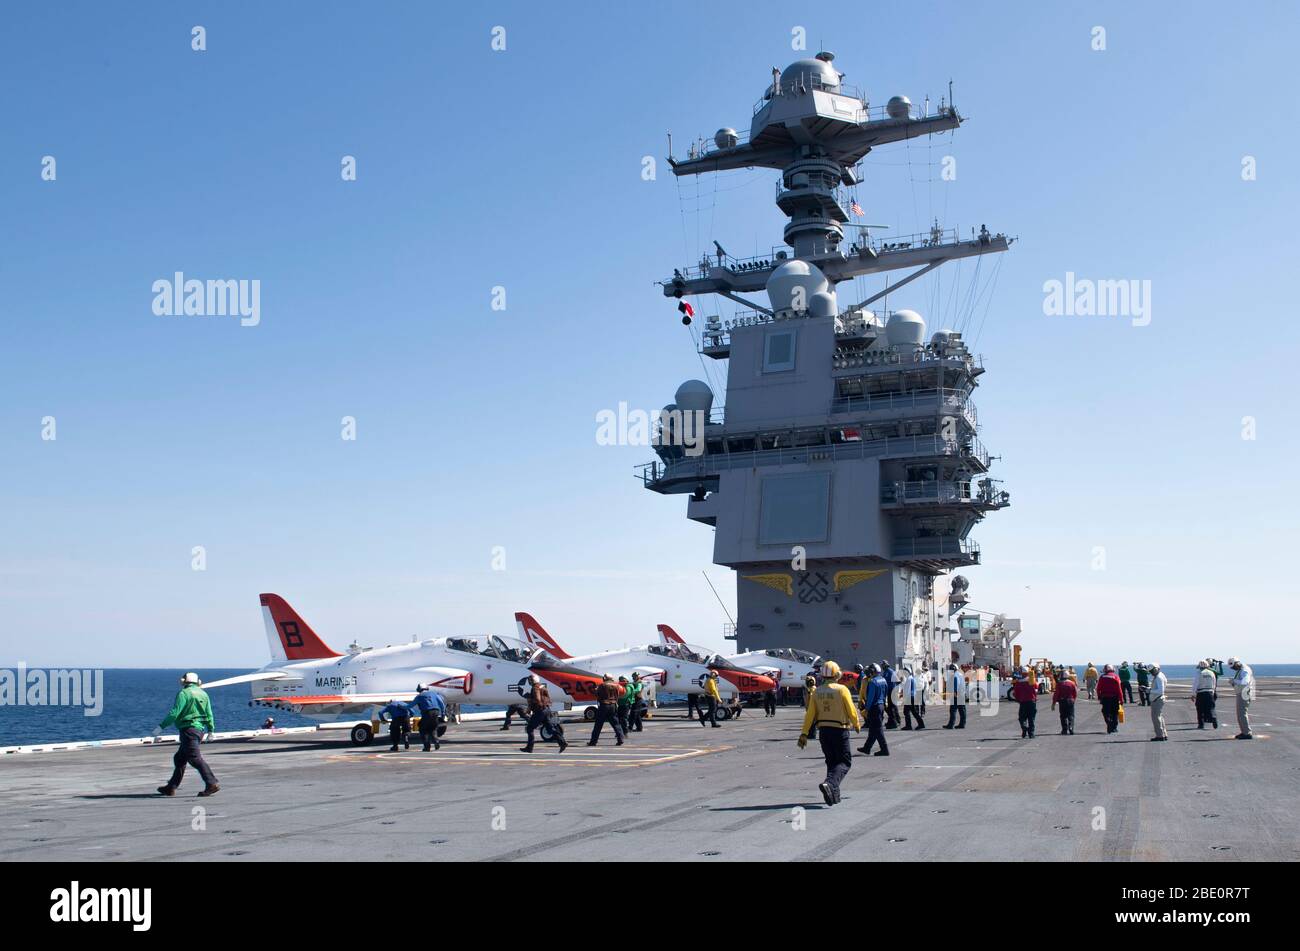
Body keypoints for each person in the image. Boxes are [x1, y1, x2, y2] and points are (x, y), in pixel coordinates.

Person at [798, 661, 861, 806]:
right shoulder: (842, 689)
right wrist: (856, 723)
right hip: (840, 730)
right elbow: (851, 709)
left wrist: (804, 733)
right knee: (845, 762)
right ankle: (830, 784)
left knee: (832, 763)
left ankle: (833, 796)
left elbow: (810, 714)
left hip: (824, 732)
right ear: (837, 674)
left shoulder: (817, 691)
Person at [154, 672, 219, 797]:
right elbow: (209, 713)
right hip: (199, 730)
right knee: (179, 758)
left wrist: (161, 726)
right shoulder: (203, 694)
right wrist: (211, 730)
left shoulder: (183, 693)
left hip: (188, 730)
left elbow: (175, 713)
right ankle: (171, 787)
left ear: (184, 681)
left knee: (194, 758)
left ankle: (212, 783)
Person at [521, 674, 568, 753]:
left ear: (533, 680)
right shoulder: (542, 687)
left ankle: (529, 748)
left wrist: (531, 702)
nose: (529, 682)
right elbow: (548, 698)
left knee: (529, 728)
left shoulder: (535, 688)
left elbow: (537, 699)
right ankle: (562, 743)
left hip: (540, 711)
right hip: (547, 710)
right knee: (550, 729)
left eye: (530, 680)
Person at [857, 664, 890, 756]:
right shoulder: (883, 680)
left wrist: (867, 709)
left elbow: (870, 697)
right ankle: (867, 748)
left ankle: (884, 749)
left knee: (878, 730)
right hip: (881, 705)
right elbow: (886, 692)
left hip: (874, 707)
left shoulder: (873, 682)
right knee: (873, 729)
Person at [588, 674, 625, 746]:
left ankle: (593, 741)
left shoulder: (602, 685)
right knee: (616, 724)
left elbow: (597, 694)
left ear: (605, 678)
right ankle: (621, 739)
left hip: (604, 705)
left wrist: (595, 690)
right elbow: (619, 694)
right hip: (613, 705)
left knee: (598, 725)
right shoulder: (616, 685)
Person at [411, 684, 446, 752]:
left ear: (419, 689)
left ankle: (427, 747)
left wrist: (402, 707)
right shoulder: (434, 694)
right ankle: (436, 741)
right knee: (433, 728)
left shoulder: (419, 696)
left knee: (423, 729)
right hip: (436, 712)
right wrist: (443, 714)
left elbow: (410, 705)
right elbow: (442, 704)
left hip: (427, 713)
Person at [1228, 657, 1255, 739]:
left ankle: (1247, 733)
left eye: (1234, 667)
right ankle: (1244, 731)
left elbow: (1245, 682)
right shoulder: (1242, 669)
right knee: (1241, 713)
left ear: (1237, 663)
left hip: (1244, 693)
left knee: (1242, 713)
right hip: (1243, 692)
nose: (1234, 669)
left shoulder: (1244, 670)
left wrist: (1234, 681)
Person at [1096, 664, 1123, 733]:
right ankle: (1114, 727)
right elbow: (1119, 689)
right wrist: (1121, 699)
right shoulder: (1116, 677)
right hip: (1114, 698)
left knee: (1105, 712)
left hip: (1105, 697)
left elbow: (1098, 688)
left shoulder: (1102, 677)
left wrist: (1099, 696)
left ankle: (1108, 722)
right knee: (1114, 713)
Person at [1011, 667, 1038, 738]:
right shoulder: (1032, 681)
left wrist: (1017, 699)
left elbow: (1015, 693)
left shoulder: (1018, 682)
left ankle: (1024, 728)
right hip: (1032, 702)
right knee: (1031, 718)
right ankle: (1031, 734)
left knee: (1022, 718)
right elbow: (1036, 688)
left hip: (1023, 702)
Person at [1194, 659, 1219, 729]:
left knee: (1200, 709)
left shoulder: (1199, 673)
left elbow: (1195, 684)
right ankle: (1214, 718)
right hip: (1210, 692)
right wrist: (1213, 692)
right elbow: (1214, 683)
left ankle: (1201, 724)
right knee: (1211, 707)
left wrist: (1193, 694)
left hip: (1201, 693)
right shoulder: (1211, 673)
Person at [1051, 670, 1077, 735]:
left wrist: (1053, 703)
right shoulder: (1072, 683)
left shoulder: (1059, 684)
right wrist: (1073, 700)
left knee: (1063, 716)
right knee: (1071, 715)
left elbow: (1056, 694)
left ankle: (1064, 730)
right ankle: (1071, 727)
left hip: (1062, 701)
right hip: (1070, 700)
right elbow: (1075, 693)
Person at [943, 664, 967, 729]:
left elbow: (956, 684)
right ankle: (962, 724)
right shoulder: (960, 674)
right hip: (962, 693)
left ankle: (951, 725)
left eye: (951, 669)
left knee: (953, 710)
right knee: (962, 710)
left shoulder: (955, 675)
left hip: (957, 694)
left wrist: (955, 693)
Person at [1148, 663, 1168, 741]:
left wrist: (1149, 690)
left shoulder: (1159, 677)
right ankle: (1163, 734)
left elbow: (1160, 691)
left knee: (1156, 718)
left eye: (1153, 670)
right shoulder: (1160, 675)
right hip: (1157, 698)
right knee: (1160, 717)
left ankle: (1160, 735)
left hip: (1157, 699)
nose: (1152, 672)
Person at [880, 659, 900, 728]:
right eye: (882, 665)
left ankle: (894, 722)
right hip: (888, 691)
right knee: (891, 707)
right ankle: (894, 720)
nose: (883, 666)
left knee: (891, 707)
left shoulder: (891, 672)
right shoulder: (885, 672)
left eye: (883, 665)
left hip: (892, 691)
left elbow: (898, 681)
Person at [805, 673, 820, 740]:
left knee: (812, 722)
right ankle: (810, 734)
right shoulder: (812, 689)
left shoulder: (811, 690)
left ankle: (812, 735)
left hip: (812, 709)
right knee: (811, 722)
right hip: (811, 708)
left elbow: (810, 699)